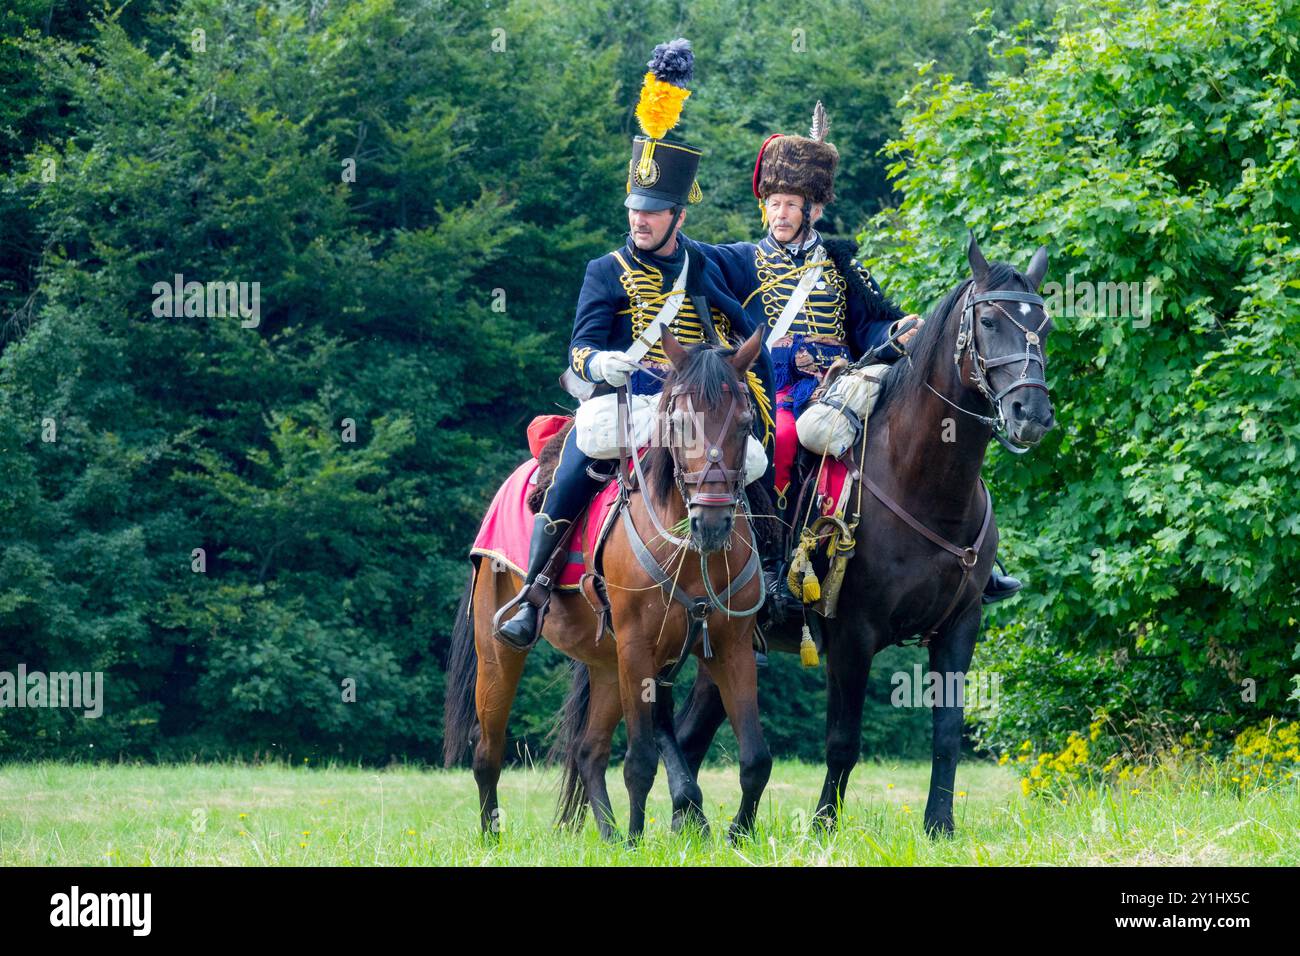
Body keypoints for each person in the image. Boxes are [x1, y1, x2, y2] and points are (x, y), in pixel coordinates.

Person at [494, 39, 776, 650]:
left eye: (651, 211)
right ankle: (536, 588)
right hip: (628, 401)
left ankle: (767, 584)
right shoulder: (605, 269)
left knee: (751, 463)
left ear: (678, 213)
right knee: (586, 446)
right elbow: (577, 352)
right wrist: (603, 361)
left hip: (694, 410)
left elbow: (738, 323)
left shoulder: (706, 267)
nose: (638, 219)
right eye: (634, 208)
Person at [699, 102, 1022, 614]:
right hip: (775, 385)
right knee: (783, 440)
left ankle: (974, 558)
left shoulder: (842, 260)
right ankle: (775, 566)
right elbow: (703, 289)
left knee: (920, 431)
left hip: (841, 380)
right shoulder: (740, 259)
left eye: (789, 204)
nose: (779, 214)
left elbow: (869, 320)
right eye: (774, 204)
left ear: (814, 210)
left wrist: (895, 329)